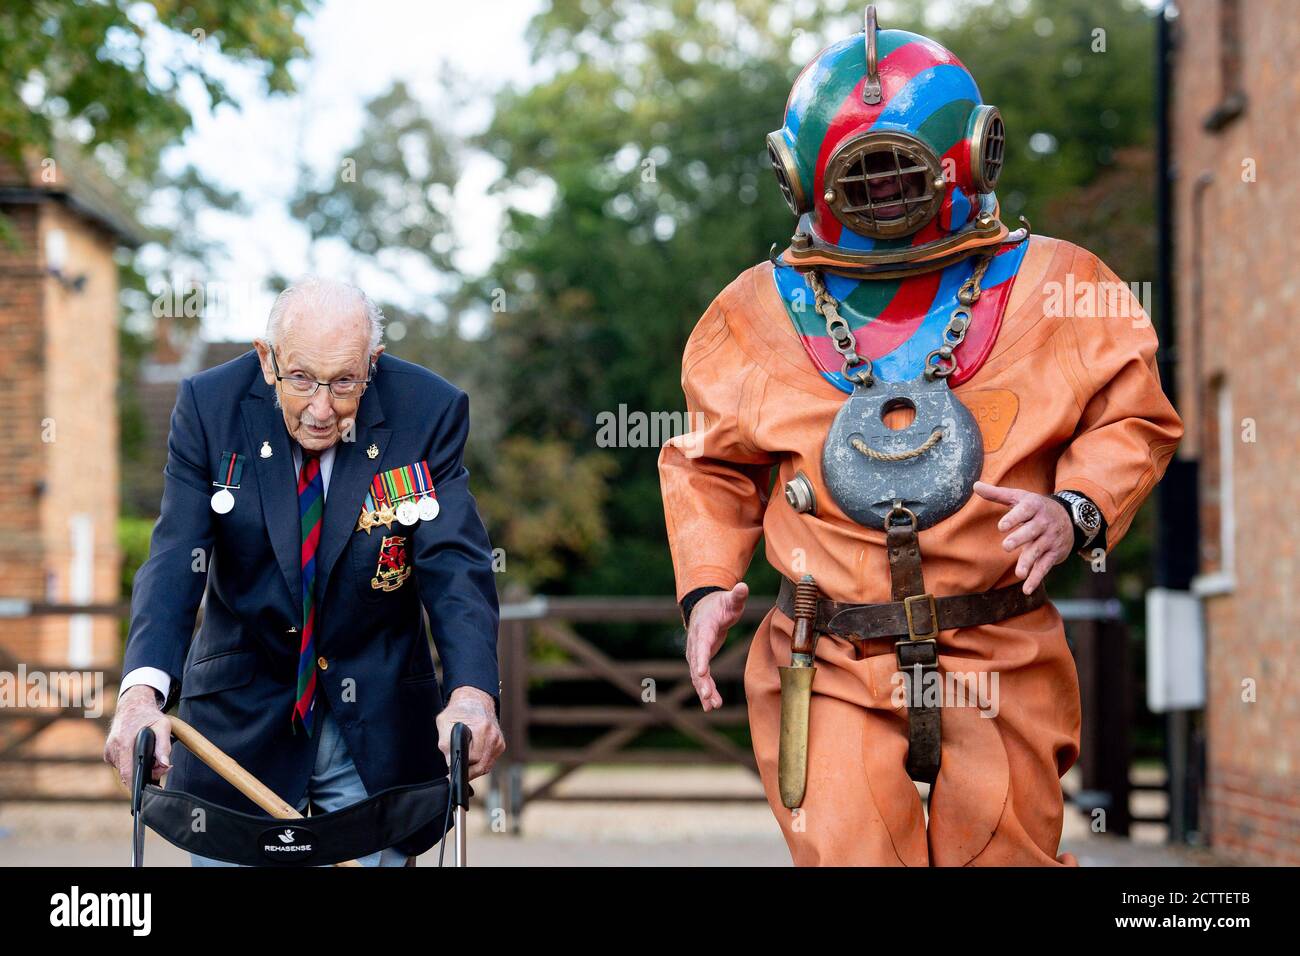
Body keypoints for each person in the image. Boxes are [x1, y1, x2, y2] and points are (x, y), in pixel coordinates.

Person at [657, 6, 1184, 866]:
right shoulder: (754, 313)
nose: (886, 198)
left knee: (1007, 856)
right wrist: (709, 581)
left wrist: (1075, 510)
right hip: (822, 650)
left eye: (901, 175)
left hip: (1000, 644)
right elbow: (710, 463)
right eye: (864, 179)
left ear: (969, 158)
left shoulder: (1061, 287)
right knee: (851, 849)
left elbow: (1131, 414)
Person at [104, 276, 505, 866]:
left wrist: (473, 695)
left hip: (378, 721)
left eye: (345, 382)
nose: (322, 410)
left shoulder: (430, 410)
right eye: (302, 380)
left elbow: (455, 565)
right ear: (268, 361)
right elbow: (173, 560)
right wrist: (141, 694)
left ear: (374, 364)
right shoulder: (209, 408)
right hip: (240, 728)